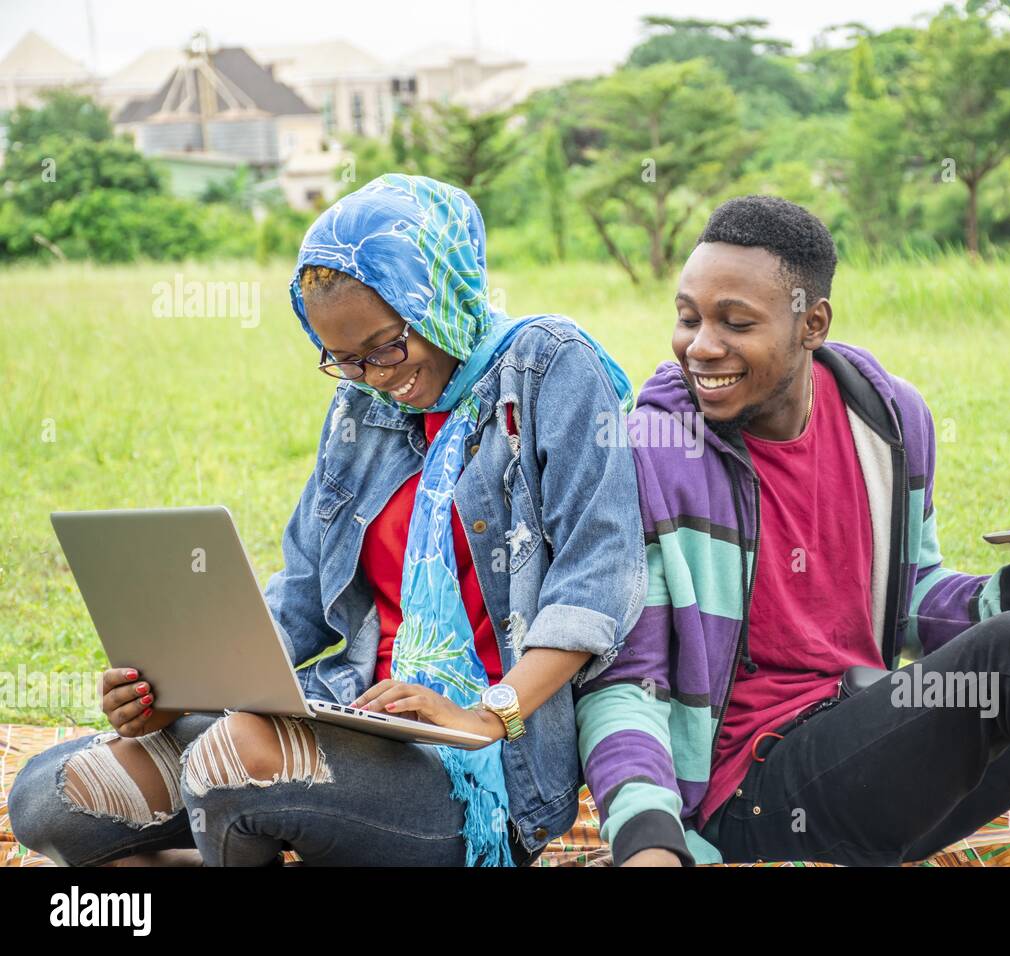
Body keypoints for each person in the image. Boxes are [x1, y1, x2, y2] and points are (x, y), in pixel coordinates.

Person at [573, 194, 1010, 867]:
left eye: (735, 323)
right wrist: (649, 841)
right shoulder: (656, 455)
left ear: (813, 324)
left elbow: (915, 599)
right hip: (750, 795)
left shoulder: (887, 423)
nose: (700, 345)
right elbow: (625, 682)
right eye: (688, 316)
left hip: (885, 751)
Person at [9, 174, 646, 866]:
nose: (373, 376)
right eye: (342, 359)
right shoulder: (359, 409)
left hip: (479, 762)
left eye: (386, 345)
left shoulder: (550, 368)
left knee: (233, 761)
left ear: (439, 299)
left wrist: (486, 713)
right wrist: (180, 685)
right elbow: (306, 589)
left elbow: (596, 575)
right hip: (353, 712)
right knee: (49, 797)